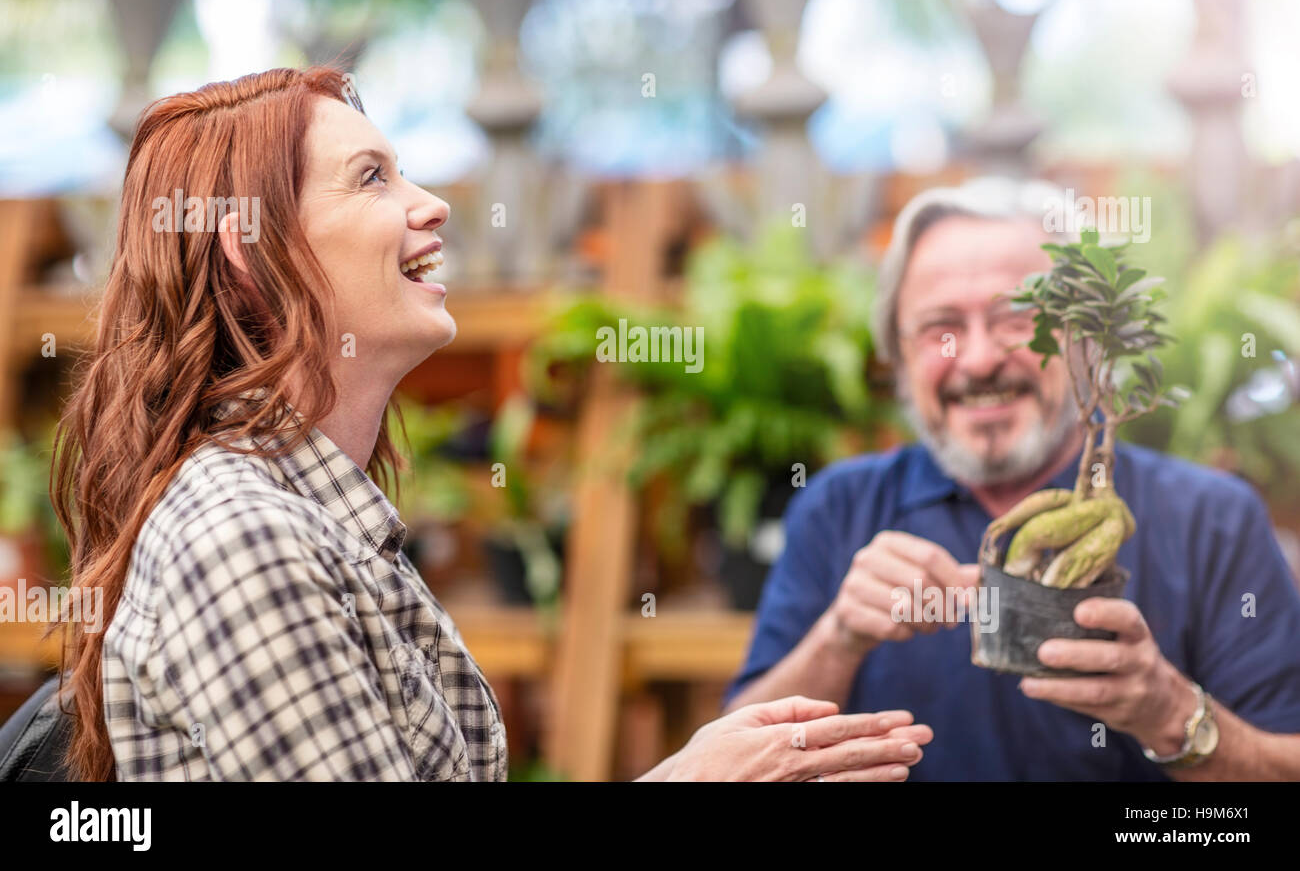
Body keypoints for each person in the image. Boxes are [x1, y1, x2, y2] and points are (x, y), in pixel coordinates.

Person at [49, 66, 932, 782]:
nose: (431, 203)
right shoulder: (245, 536)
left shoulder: (318, 519)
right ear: (251, 253)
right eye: (372, 178)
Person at [724, 177, 1300, 780]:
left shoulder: (1212, 520)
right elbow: (731, 763)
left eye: (1018, 318)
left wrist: (1170, 712)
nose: (978, 360)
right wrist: (837, 637)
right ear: (898, 352)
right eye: (941, 328)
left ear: (1088, 338)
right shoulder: (837, 509)